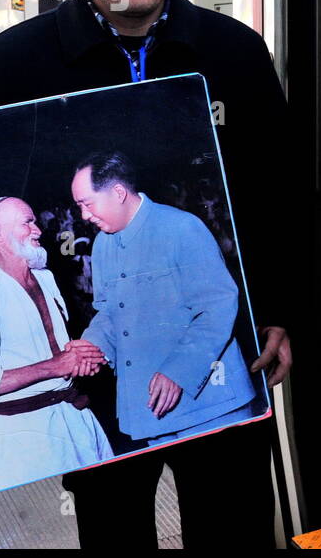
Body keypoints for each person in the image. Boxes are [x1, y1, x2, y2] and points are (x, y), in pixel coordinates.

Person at [0, 0, 292, 548]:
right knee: (113, 532)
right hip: (114, 398)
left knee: (235, 529)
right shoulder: (17, 62)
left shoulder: (236, 52)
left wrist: (280, 309)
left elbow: (278, 194)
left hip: (222, 378)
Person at [71, 151, 259, 447]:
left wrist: (178, 371)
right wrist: (91, 346)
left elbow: (217, 307)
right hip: (152, 413)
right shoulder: (102, 244)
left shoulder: (181, 228)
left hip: (211, 407)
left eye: (87, 204)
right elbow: (109, 311)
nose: (84, 215)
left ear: (118, 193)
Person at [0, 196, 113, 491]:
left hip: (77, 416)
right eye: (27, 222)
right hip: (26, 437)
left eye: (35, 221)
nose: (38, 229)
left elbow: (56, 350)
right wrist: (54, 367)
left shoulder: (46, 279)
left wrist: (80, 359)